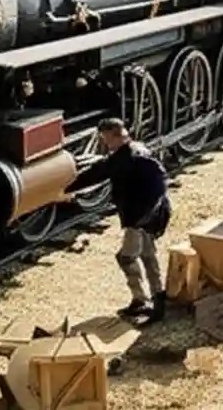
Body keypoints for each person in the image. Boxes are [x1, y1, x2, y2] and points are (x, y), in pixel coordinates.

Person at [75, 118, 172, 322]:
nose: (105, 143)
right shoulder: (134, 149)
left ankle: (141, 299)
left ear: (116, 135)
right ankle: (158, 297)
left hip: (139, 217)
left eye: (106, 138)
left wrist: (68, 188)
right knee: (147, 255)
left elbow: (100, 172)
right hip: (147, 214)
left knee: (126, 258)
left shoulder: (128, 157)